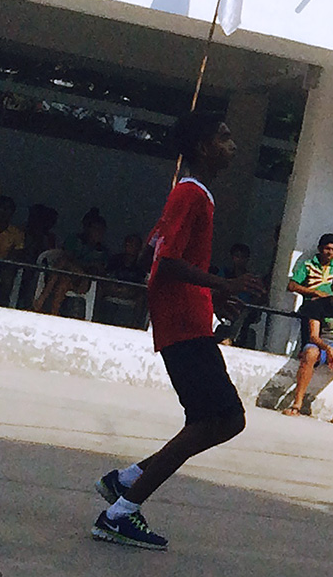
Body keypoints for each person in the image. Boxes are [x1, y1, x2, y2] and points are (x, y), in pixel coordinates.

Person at [92, 112, 266, 549]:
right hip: (183, 324)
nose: (233, 145)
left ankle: (127, 480)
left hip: (190, 318)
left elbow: (159, 249)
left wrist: (213, 295)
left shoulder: (195, 194)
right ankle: (121, 511)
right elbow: (163, 261)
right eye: (224, 137)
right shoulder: (190, 194)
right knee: (218, 419)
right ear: (205, 146)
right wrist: (222, 283)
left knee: (224, 420)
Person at [283, 271, 333, 422]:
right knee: (310, 353)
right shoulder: (319, 305)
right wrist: (327, 349)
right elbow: (314, 335)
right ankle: (297, 403)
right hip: (320, 344)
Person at [36, 207, 108, 317]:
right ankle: (53, 315)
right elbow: (67, 257)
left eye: (101, 230)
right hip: (67, 274)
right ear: (87, 229)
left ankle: (41, 298)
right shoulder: (74, 239)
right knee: (63, 279)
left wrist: (84, 272)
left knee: (65, 265)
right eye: (95, 229)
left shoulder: (102, 251)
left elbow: (99, 271)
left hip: (84, 283)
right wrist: (81, 268)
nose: (98, 233)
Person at [286, 234, 333, 302]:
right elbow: (292, 285)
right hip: (312, 303)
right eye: (327, 248)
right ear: (320, 249)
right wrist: (314, 292)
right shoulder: (308, 265)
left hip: (332, 304)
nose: (330, 252)